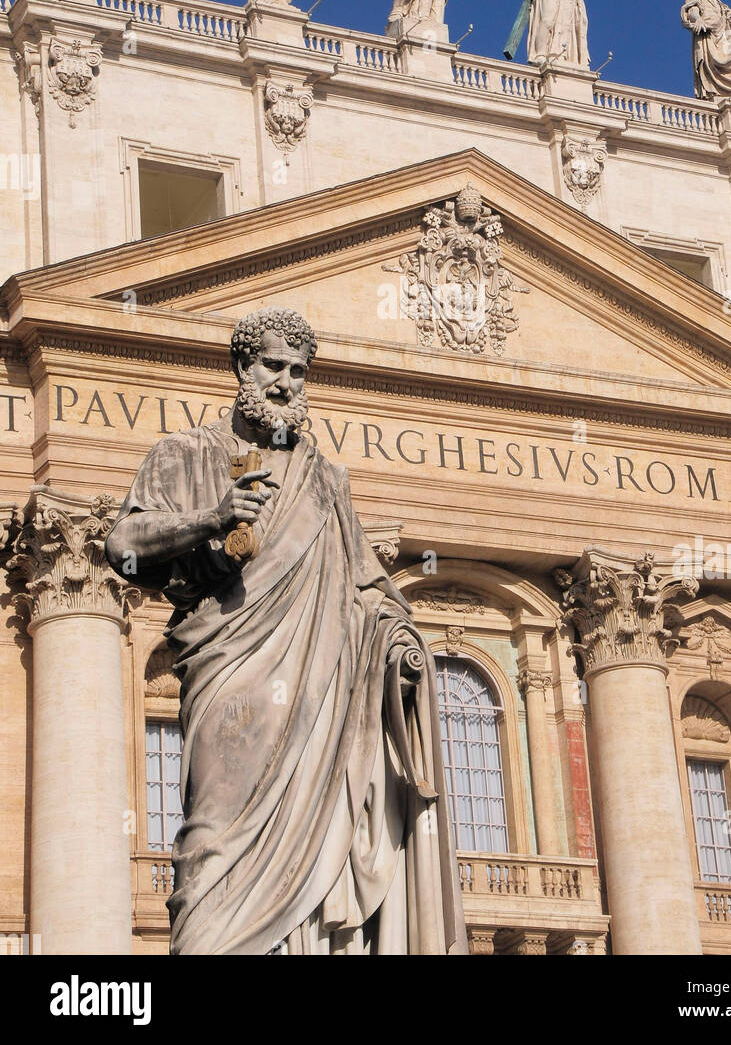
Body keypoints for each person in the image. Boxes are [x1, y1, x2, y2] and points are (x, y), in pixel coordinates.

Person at [105, 307, 465, 956]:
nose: (285, 381)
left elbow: (365, 585)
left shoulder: (326, 481)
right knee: (215, 836)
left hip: (323, 697)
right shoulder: (186, 453)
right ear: (243, 366)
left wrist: (399, 642)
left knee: (319, 841)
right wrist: (209, 520)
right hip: (232, 676)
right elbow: (122, 545)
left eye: (298, 371)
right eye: (273, 365)